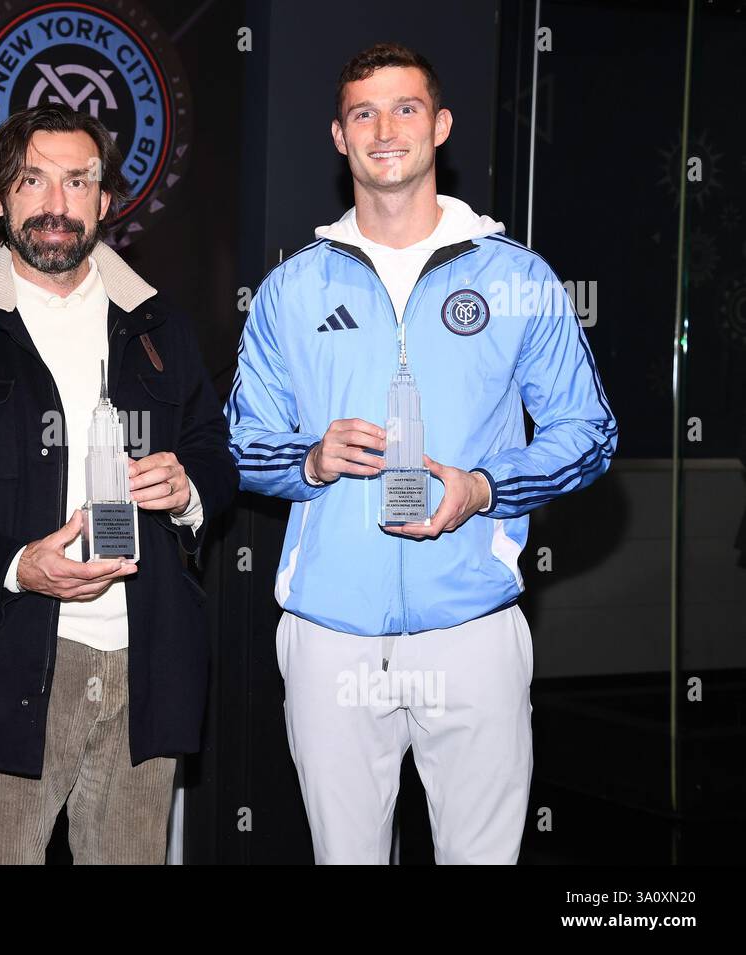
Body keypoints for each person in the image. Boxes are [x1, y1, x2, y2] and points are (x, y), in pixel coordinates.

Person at [227, 42, 617, 864]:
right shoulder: (292, 290)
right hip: (330, 630)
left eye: (405, 108)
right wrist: (309, 457)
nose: (385, 128)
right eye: (362, 112)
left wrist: (482, 486)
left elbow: (589, 434)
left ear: (439, 125)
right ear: (339, 138)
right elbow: (240, 445)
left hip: (471, 625)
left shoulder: (517, 278)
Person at [0, 104, 237, 864]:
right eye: (32, 180)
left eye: (78, 181)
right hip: (6, 661)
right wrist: (17, 566)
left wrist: (189, 488)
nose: (55, 203)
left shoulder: (157, 325)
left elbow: (213, 451)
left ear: (106, 201)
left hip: (147, 662)